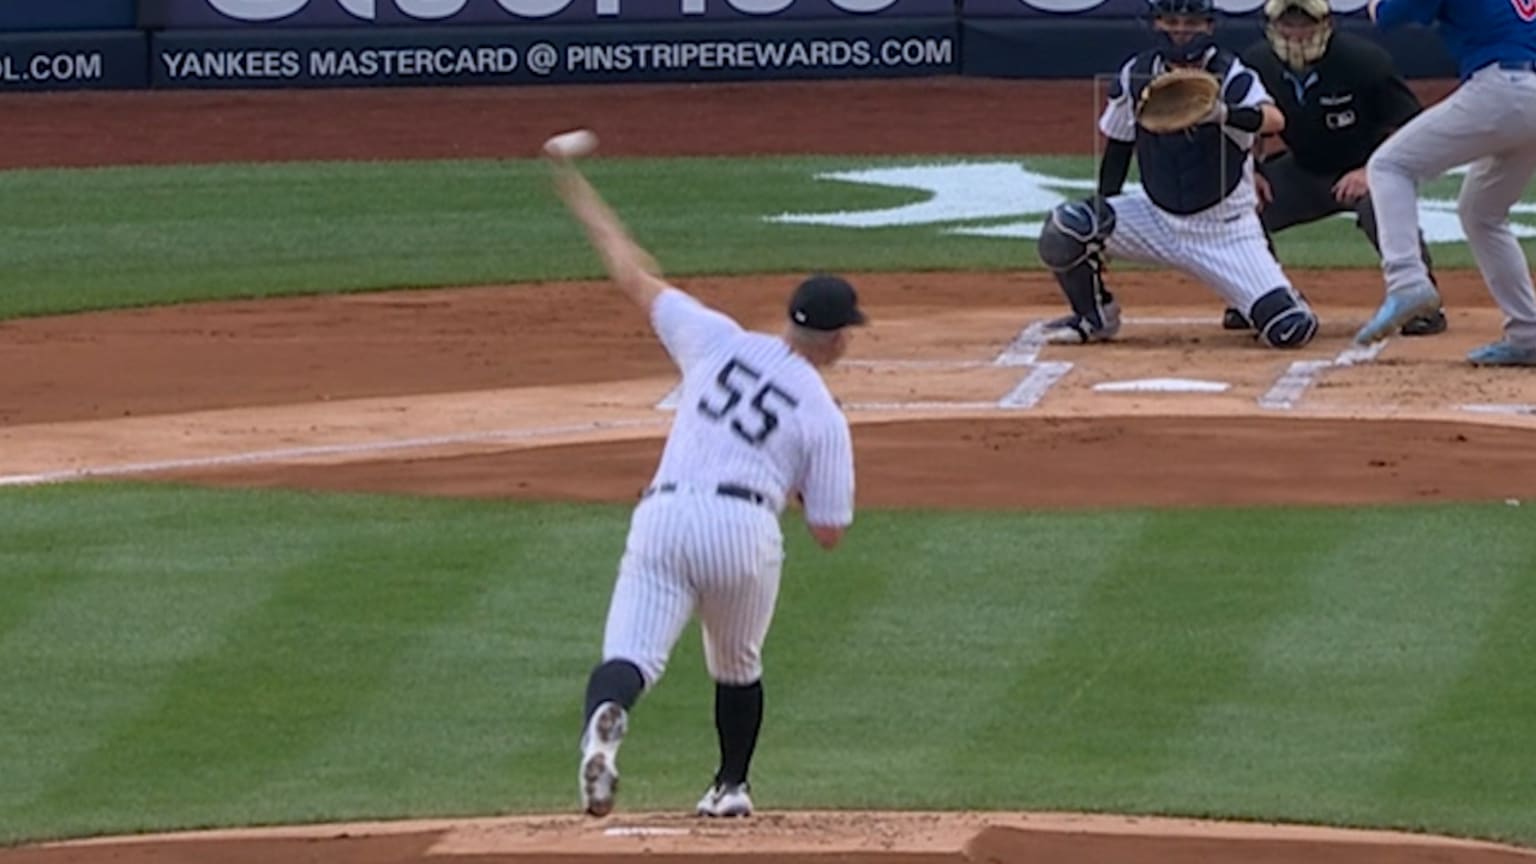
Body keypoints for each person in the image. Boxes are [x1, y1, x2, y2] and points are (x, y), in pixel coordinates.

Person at [545, 140, 862, 820]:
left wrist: (574, 188)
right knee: (737, 664)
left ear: (790, 318)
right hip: (744, 530)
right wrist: (796, 484)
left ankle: (606, 722)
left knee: (630, 655)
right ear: (837, 340)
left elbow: (634, 272)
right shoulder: (821, 413)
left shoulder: (716, 339)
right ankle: (731, 787)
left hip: (663, 515)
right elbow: (830, 531)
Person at [1038, 0, 1319, 350]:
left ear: (1209, 26)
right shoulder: (1137, 74)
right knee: (1067, 228)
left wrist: (1219, 113)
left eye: (1192, 22)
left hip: (1225, 230)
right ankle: (1094, 317)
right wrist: (1104, 207)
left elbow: (1274, 120)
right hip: (1157, 218)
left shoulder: (1230, 74)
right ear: (1156, 24)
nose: (1181, 30)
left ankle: (1278, 294)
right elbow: (1118, 146)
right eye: (1171, 20)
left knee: (1289, 329)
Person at [1223, 0, 1447, 337]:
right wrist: (1250, 172)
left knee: (1383, 205)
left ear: (1326, 24)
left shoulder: (1363, 61)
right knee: (1238, 201)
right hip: (1304, 168)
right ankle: (1261, 295)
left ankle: (1422, 302)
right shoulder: (1256, 64)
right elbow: (1248, 126)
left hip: (1368, 166)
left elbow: (1410, 127)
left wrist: (1370, 170)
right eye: (1288, 23)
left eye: (1305, 23)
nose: (1296, 33)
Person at [1360, 0, 1536, 364]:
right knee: (1481, 213)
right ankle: (1528, 335)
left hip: (1500, 89)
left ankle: (1406, 281)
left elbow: (1388, 17)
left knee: (1388, 166)